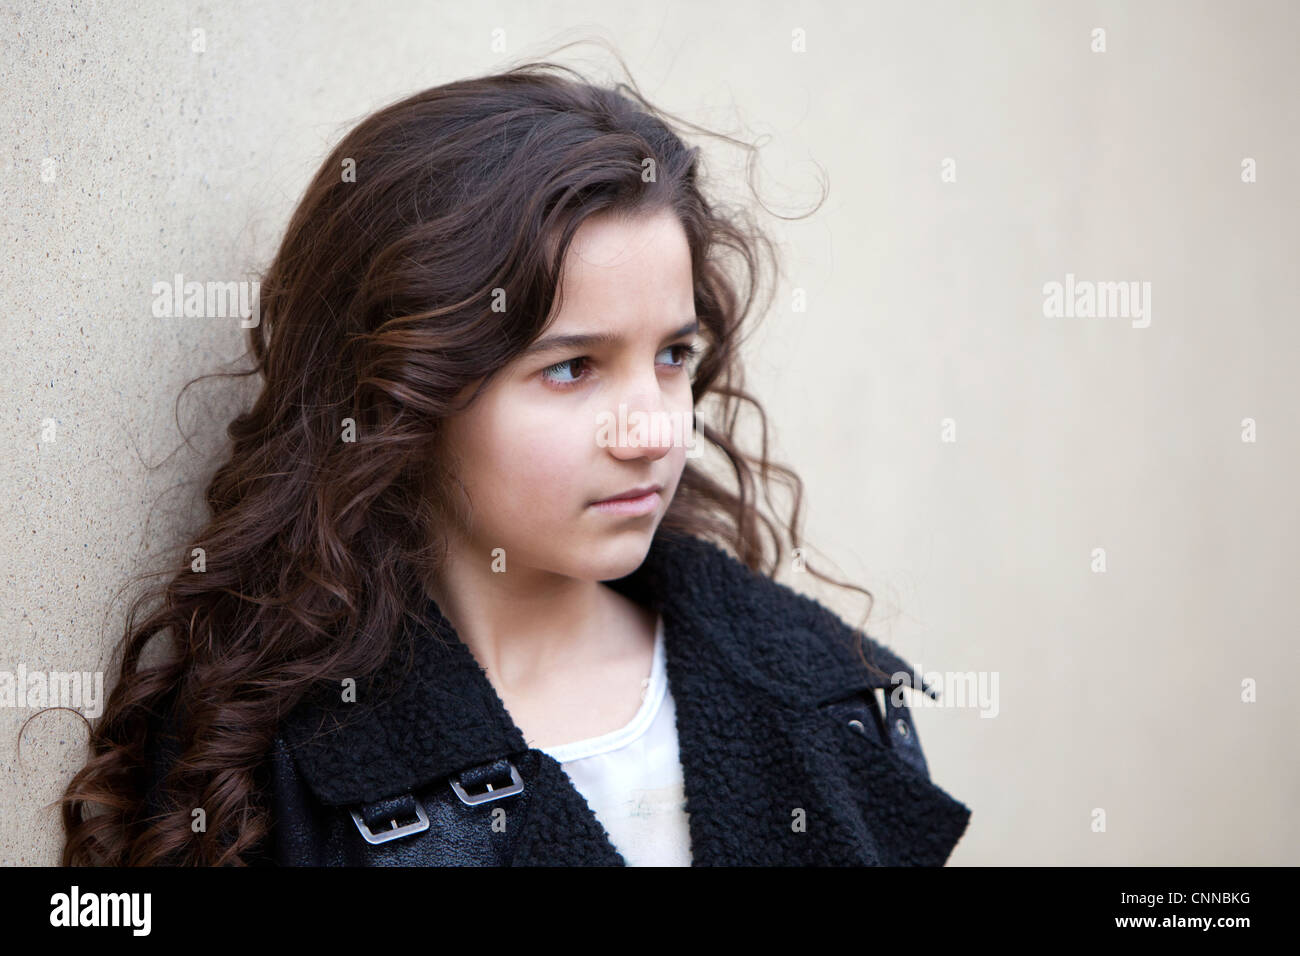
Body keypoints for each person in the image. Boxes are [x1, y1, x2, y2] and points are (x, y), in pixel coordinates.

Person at [57, 52, 971, 866]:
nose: (654, 430)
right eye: (572, 368)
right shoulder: (269, 767)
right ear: (401, 390)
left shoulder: (824, 694)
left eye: (673, 357)